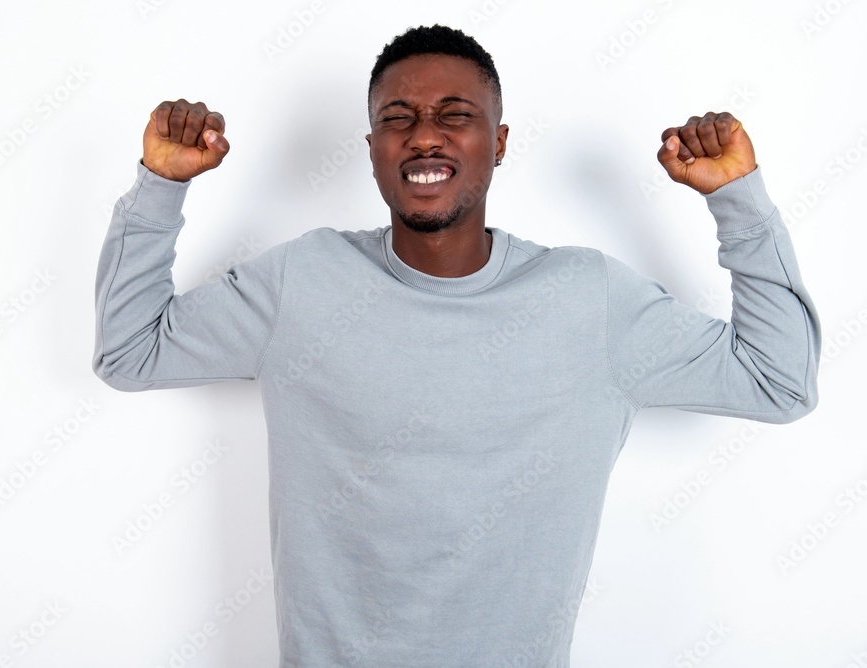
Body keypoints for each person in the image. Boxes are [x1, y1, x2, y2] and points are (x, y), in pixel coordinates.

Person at [93, 23, 819, 668]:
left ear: (499, 142)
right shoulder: (302, 281)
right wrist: (159, 185)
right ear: (374, 148)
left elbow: (779, 382)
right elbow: (130, 352)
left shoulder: (589, 299)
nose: (425, 135)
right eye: (397, 118)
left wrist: (738, 200)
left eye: (456, 116)